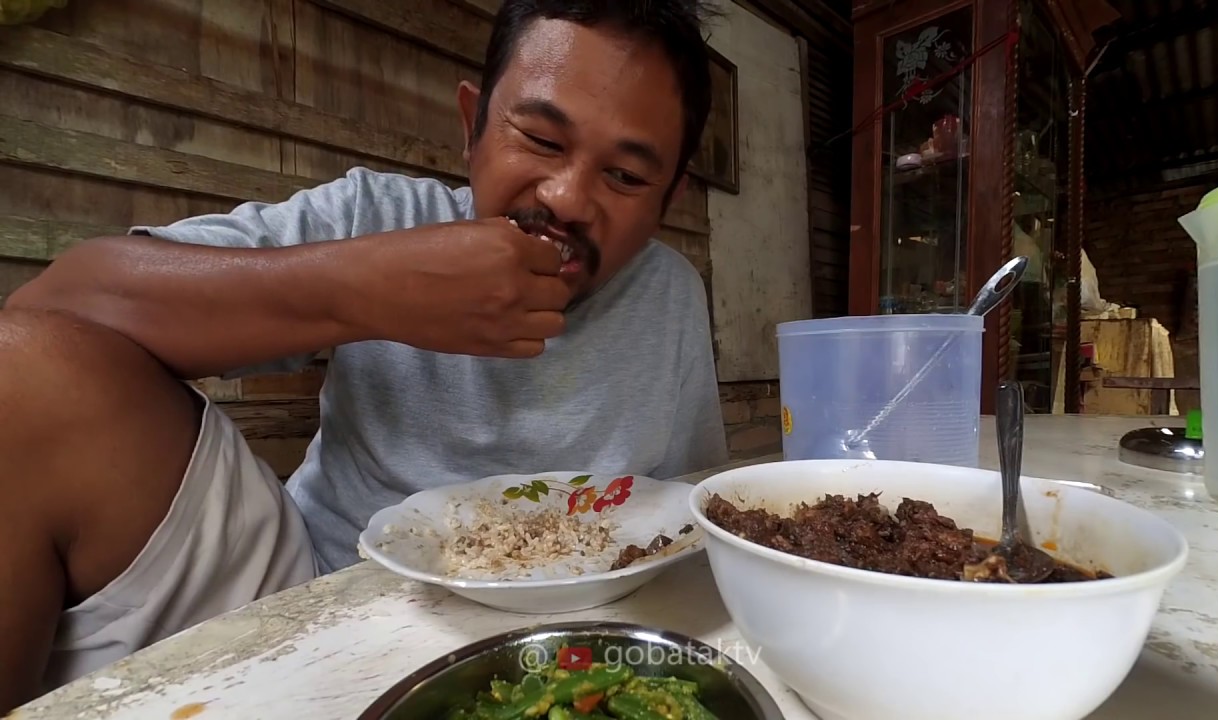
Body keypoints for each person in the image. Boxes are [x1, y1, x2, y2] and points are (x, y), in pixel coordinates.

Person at [0, 0, 728, 711]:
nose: (568, 198)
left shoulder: (670, 295)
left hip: (570, 643)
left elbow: (696, 521)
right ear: (471, 124)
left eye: (627, 177)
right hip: (304, 589)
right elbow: (53, 308)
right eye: (540, 139)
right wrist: (361, 291)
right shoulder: (375, 219)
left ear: (669, 195)